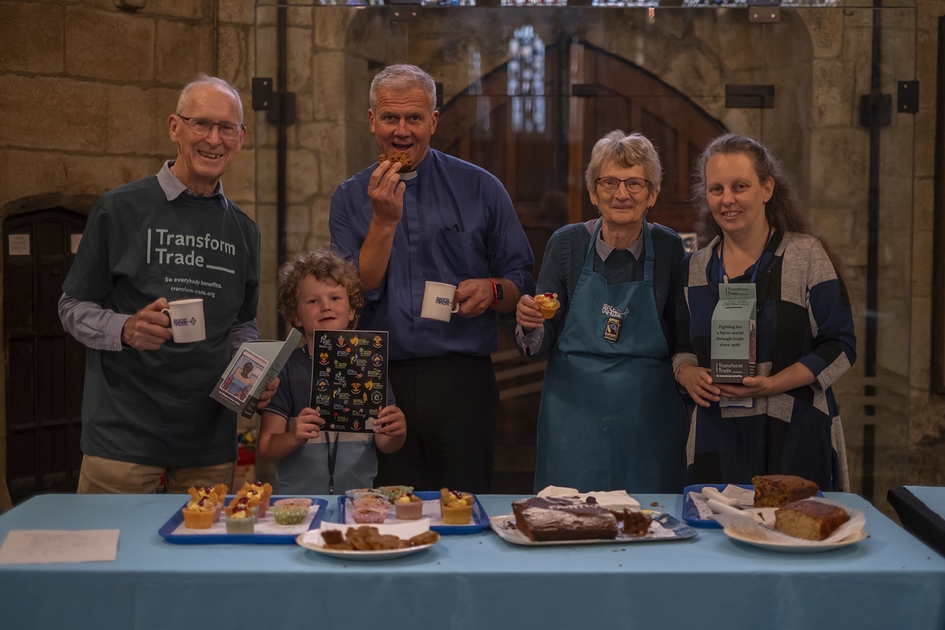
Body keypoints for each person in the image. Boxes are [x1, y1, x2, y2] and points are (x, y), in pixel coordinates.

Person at [59, 75, 274, 494]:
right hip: (122, 438)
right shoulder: (119, 209)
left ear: (241, 138)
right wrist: (124, 328)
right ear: (175, 127)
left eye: (226, 128)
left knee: (201, 558)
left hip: (209, 443)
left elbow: (241, 326)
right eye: (202, 124)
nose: (214, 139)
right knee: (111, 555)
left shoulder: (245, 231)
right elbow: (71, 306)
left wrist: (252, 374)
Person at [329, 64, 535, 493]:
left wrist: (493, 290)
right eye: (390, 117)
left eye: (414, 118)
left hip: (460, 378)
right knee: (382, 514)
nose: (402, 130)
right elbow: (352, 295)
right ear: (372, 121)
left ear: (433, 122)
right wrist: (383, 222)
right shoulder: (349, 198)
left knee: (462, 506)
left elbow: (521, 282)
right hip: (373, 374)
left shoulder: (482, 188)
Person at [673, 133, 855, 491]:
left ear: (767, 189)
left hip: (796, 431)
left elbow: (841, 346)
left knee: (798, 535)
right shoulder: (693, 268)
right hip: (717, 436)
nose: (728, 200)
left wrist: (772, 384)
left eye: (740, 186)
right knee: (715, 542)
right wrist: (688, 373)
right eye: (716, 189)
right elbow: (681, 348)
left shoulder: (806, 257)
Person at [515, 130, 688, 494]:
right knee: (567, 526)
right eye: (608, 182)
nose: (621, 193)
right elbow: (541, 335)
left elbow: (682, 337)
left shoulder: (670, 249)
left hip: (649, 419)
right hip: (573, 422)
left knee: (651, 525)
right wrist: (530, 323)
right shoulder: (566, 244)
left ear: (653, 193)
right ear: (593, 192)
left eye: (634, 183)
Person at [257, 250, 406, 495]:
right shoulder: (286, 368)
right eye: (313, 301)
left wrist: (397, 432)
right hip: (297, 501)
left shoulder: (371, 366)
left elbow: (385, 442)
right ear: (296, 316)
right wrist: (295, 436)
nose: (325, 306)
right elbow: (266, 445)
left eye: (335, 298)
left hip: (358, 500)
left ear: (351, 311)